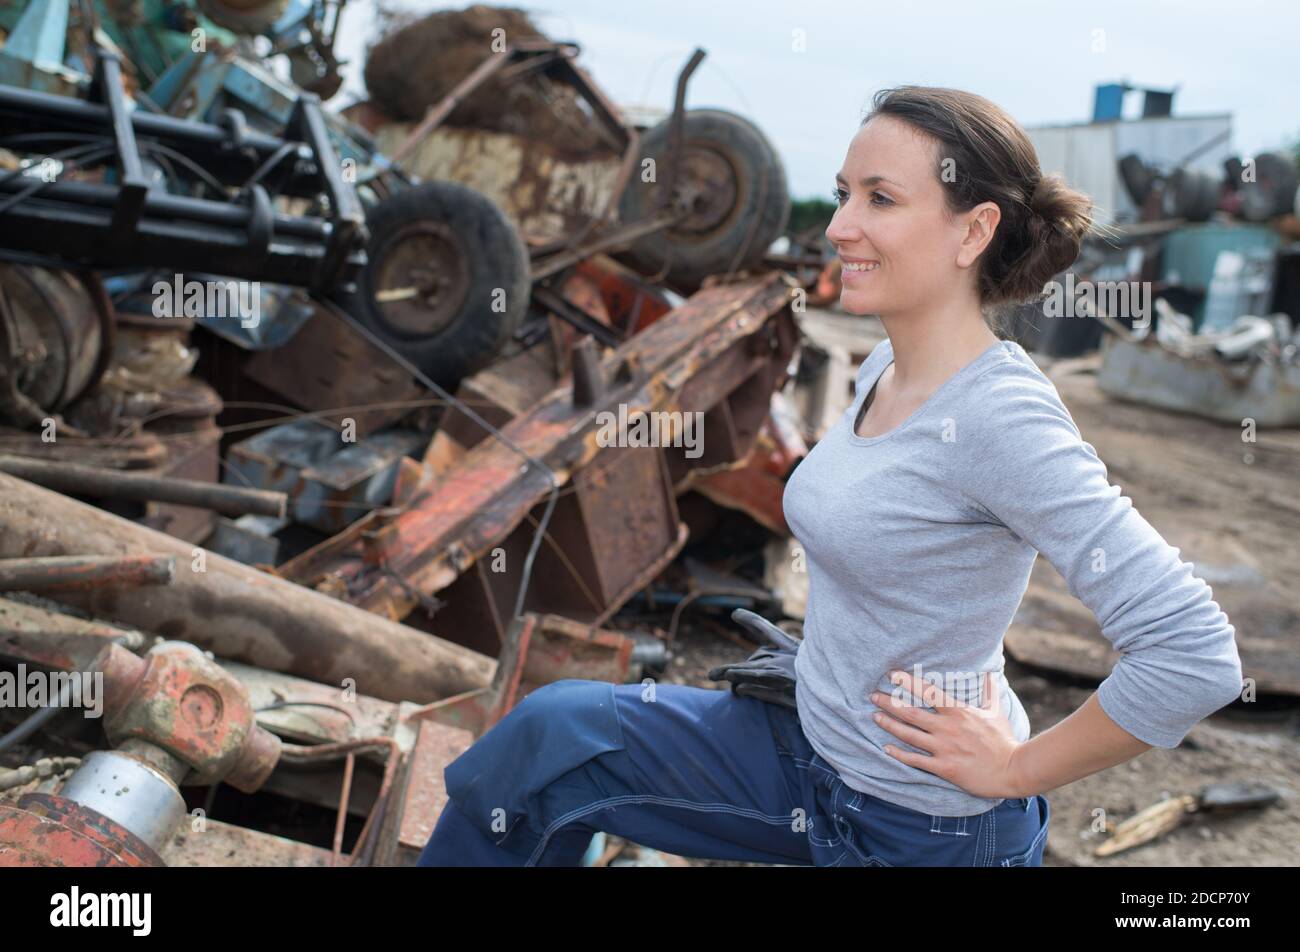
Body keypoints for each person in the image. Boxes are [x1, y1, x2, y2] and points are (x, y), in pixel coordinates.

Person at [416, 85, 1244, 867]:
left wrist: (1017, 770)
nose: (841, 225)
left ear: (972, 231)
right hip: (805, 744)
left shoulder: (1003, 419)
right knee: (540, 747)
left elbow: (1192, 654)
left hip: (915, 825)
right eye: (843, 193)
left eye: (880, 200)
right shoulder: (880, 365)